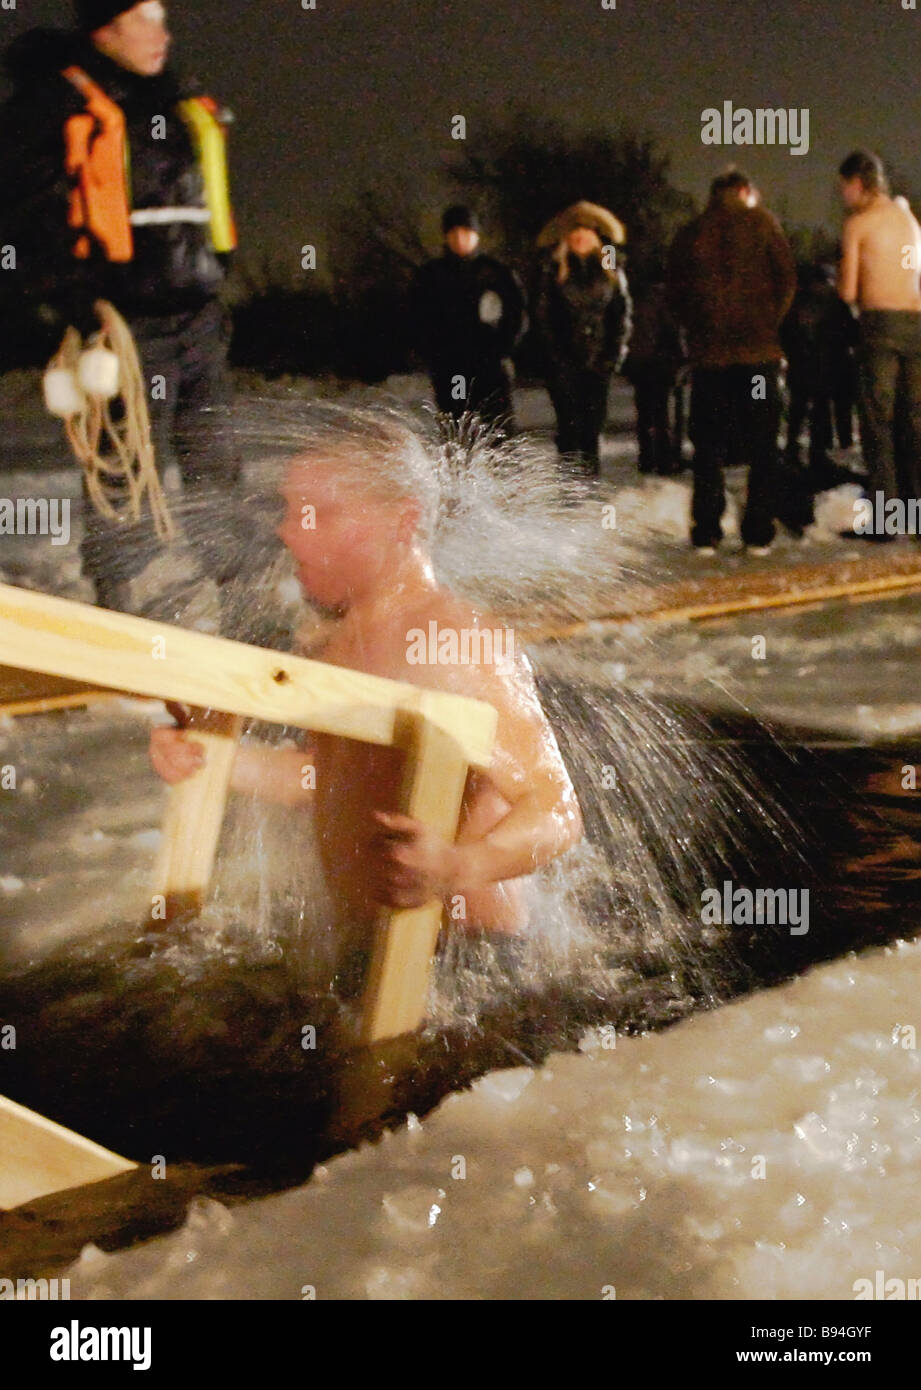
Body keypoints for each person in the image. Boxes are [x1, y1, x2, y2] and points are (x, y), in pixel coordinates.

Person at [149, 408, 584, 969]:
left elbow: (556, 807)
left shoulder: (451, 639)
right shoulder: (336, 641)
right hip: (376, 950)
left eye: (320, 515)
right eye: (289, 512)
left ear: (402, 523)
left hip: (473, 961)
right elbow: (327, 776)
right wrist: (210, 760)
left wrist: (456, 868)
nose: (287, 531)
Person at [0, 1, 239, 612]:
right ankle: (119, 603)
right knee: (126, 466)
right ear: (106, 29)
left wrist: (219, 278)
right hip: (126, 323)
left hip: (201, 316)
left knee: (216, 458)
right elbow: (25, 213)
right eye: (146, 17)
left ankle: (244, 593)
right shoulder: (58, 103)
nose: (164, 33)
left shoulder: (177, 102)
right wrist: (76, 301)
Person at [667, 168, 796, 554]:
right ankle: (758, 529)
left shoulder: (692, 232)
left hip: (710, 361)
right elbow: (787, 281)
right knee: (762, 443)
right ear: (744, 190)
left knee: (708, 445)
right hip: (757, 359)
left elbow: (674, 291)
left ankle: (706, 529)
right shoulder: (764, 224)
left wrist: (696, 329)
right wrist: (767, 324)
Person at [837, 150, 921, 527]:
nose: (844, 196)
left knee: (878, 423)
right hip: (917, 324)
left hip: (881, 326)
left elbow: (848, 290)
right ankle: (916, 513)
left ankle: (887, 518)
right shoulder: (909, 220)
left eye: (844, 188)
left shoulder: (859, 223)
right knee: (914, 421)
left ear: (857, 183)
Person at [534, 201, 632, 479]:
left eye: (585, 232)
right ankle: (569, 484)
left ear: (595, 235)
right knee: (568, 425)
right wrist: (554, 356)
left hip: (599, 358)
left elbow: (620, 312)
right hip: (563, 359)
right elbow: (543, 314)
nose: (579, 238)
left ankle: (590, 481)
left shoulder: (610, 265)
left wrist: (613, 354)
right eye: (573, 233)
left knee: (593, 425)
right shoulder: (553, 268)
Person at [409, 205, 526, 432]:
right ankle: (461, 467)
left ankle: (497, 468)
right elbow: (417, 317)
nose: (460, 239)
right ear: (446, 236)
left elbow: (517, 314)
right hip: (452, 369)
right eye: (454, 233)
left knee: (497, 426)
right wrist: (433, 353)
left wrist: (502, 348)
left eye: (466, 232)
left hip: (490, 367)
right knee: (458, 422)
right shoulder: (432, 275)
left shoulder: (497, 273)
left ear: (476, 235)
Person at [781, 260, 859, 481]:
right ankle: (826, 450)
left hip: (802, 367)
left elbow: (785, 335)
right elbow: (852, 333)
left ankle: (793, 446)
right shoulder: (835, 303)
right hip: (831, 367)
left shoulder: (793, 304)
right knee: (823, 409)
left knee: (800, 407)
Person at [621, 255, 685, 475]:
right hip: (661, 362)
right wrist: (682, 357)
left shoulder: (637, 298)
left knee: (644, 412)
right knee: (663, 414)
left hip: (641, 361)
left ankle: (647, 457)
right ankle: (666, 458)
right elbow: (671, 331)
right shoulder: (666, 299)